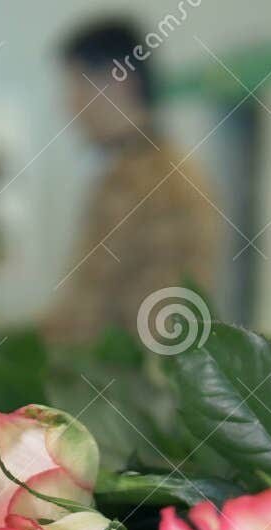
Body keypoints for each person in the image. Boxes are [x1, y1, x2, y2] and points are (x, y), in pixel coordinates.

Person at [45, 18, 222, 344]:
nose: (71, 107)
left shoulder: (146, 184)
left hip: (129, 388)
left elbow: (89, 320)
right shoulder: (160, 170)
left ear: (118, 80)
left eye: (77, 87)